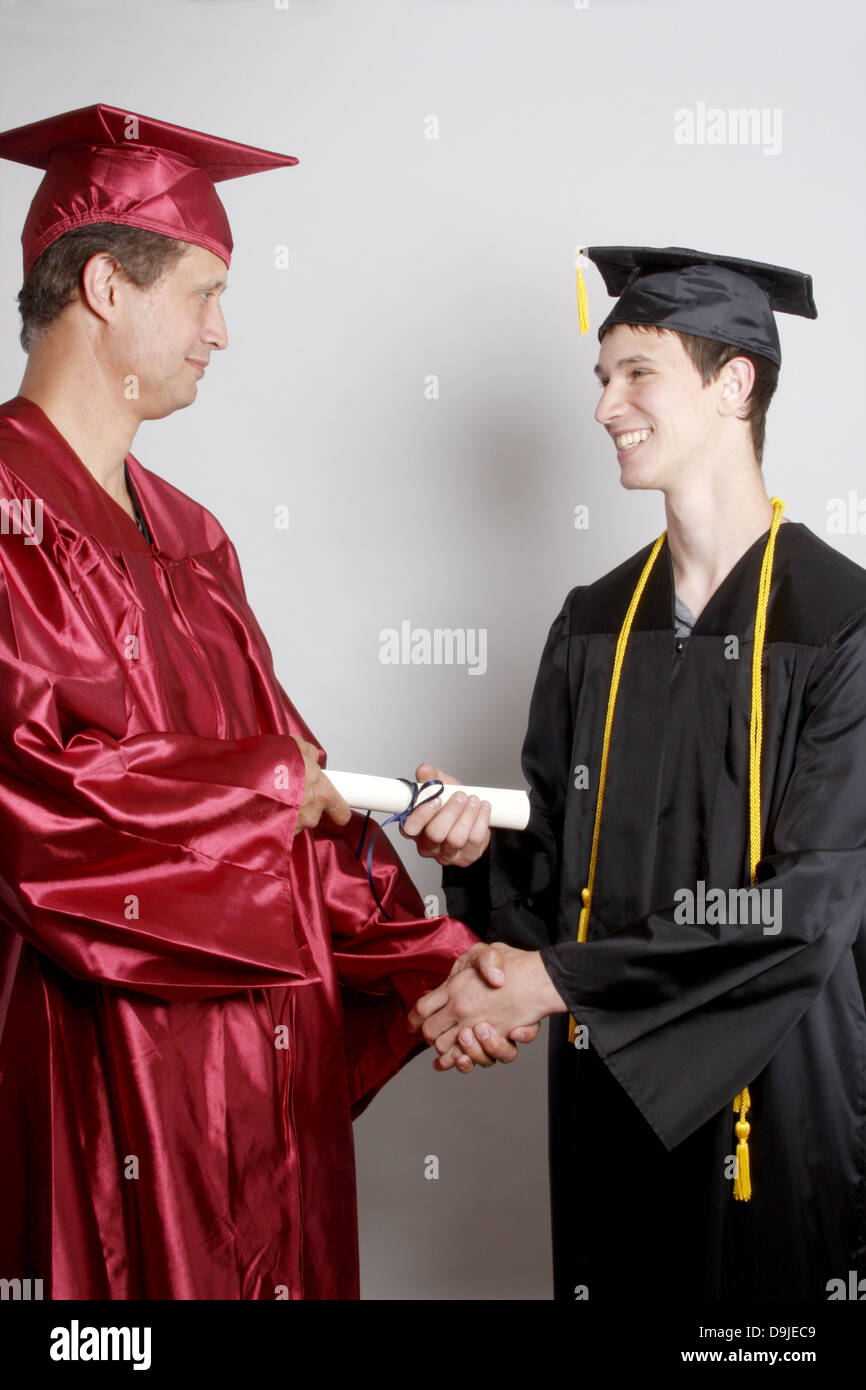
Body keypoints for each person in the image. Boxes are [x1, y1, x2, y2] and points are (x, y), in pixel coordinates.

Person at [0, 103, 525, 1301]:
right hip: (106, 1063)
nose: (221, 332)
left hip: (262, 1076)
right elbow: (34, 805)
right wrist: (271, 788)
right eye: (202, 291)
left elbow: (311, 803)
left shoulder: (193, 538)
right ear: (105, 287)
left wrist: (434, 965)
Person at [404, 245, 866, 1301]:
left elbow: (806, 905)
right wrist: (480, 853)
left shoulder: (839, 627)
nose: (605, 404)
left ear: (732, 381)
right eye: (599, 378)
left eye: (634, 372)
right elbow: (555, 867)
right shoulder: (592, 624)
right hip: (607, 1081)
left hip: (775, 1096)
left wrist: (551, 982)